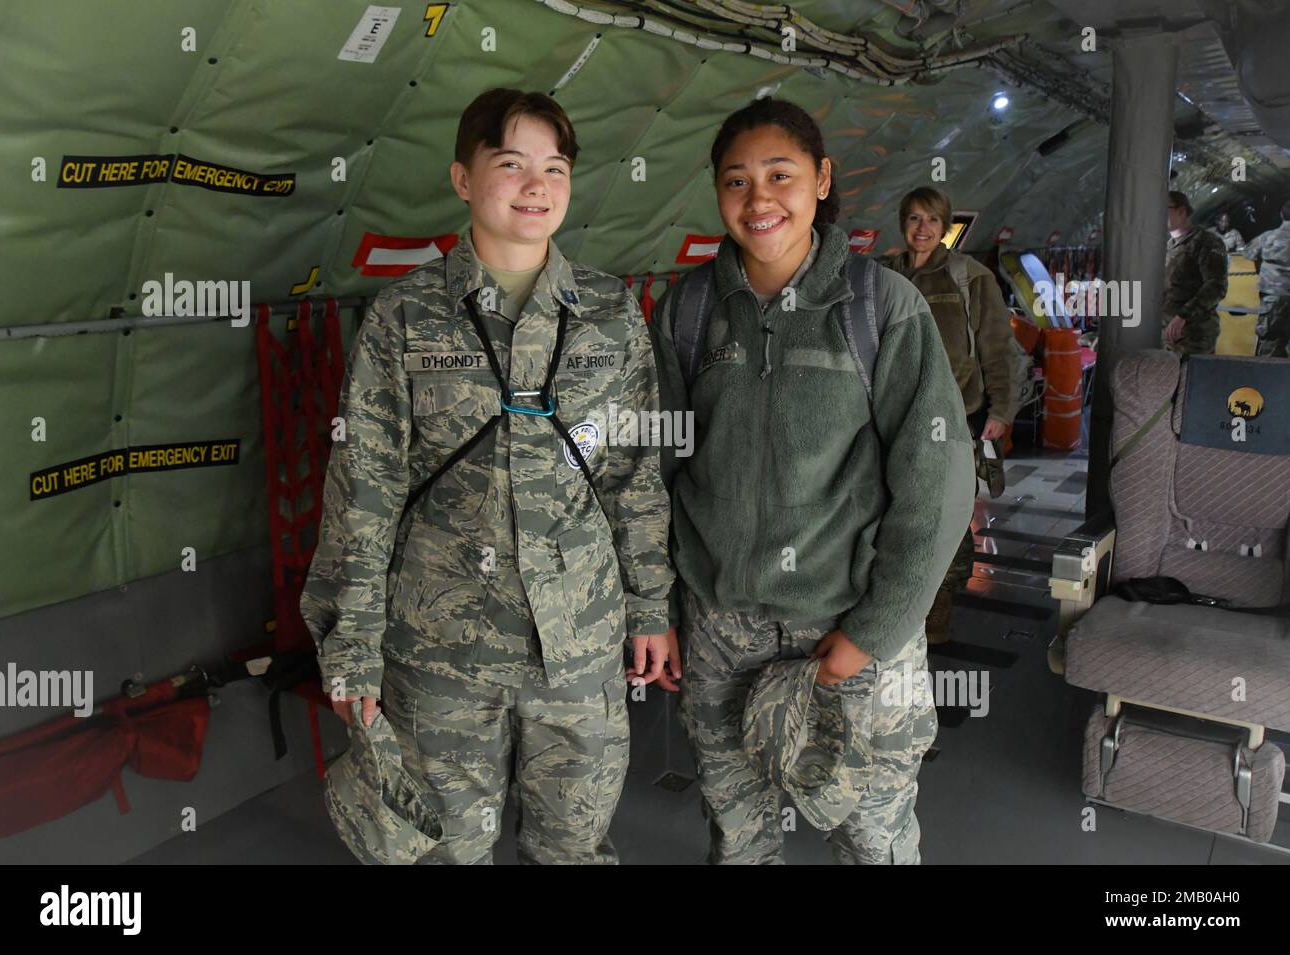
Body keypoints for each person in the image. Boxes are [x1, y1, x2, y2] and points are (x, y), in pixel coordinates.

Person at [301, 88, 676, 864]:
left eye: (555, 167)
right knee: (443, 853)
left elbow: (635, 479)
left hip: (580, 647)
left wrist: (650, 606)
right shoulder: (405, 317)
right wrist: (353, 645)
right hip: (442, 654)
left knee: (575, 847)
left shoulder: (611, 313)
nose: (537, 186)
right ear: (464, 179)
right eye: (511, 164)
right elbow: (363, 494)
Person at [650, 97, 976, 865]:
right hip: (723, 630)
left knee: (873, 835)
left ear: (822, 179)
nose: (758, 199)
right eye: (736, 181)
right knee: (739, 837)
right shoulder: (690, 312)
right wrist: (657, 608)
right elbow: (652, 473)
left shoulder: (877, 308)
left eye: (780, 175)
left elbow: (937, 481)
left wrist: (870, 634)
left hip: (850, 626)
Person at [884, 187, 1019, 644]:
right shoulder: (885, 276)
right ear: (903, 223)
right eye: (914, 219)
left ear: (945, 228)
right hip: (894, 420)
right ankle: (897, 615)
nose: (922, 229)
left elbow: (998, 350)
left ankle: (935, 623)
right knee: (896, 517)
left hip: (954, 419)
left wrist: (1001, 409)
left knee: (944, 521)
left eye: (932, 221)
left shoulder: (969, 278)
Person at [1163, 190, 1228, 356]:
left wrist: (1183, 315)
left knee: (1193, 379)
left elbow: (1216, 286)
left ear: (1182, 211)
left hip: (1194, 335)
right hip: (1169, 332)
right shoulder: (1169, 245)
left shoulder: (1206, 242)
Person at [1243, 199, 1290, 358]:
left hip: (1272, 296)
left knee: (1269, 340)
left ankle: (1268, 378)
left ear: (1281, 215)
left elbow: (1247, 253)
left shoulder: (1268, 237)